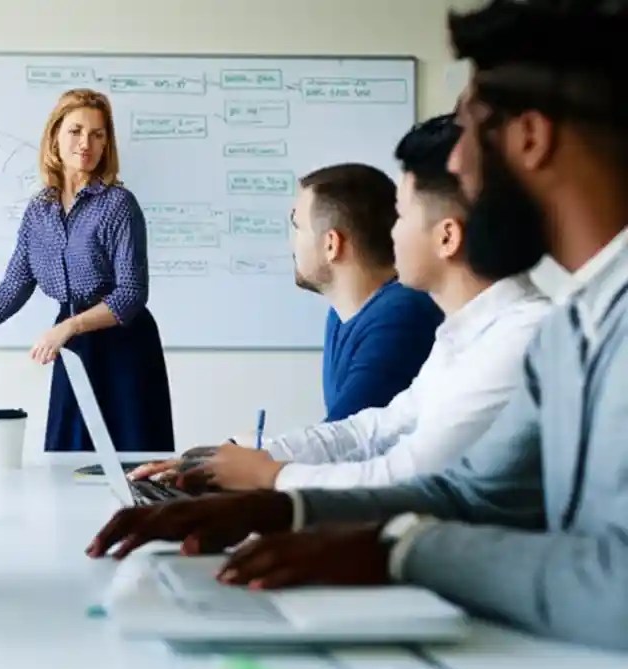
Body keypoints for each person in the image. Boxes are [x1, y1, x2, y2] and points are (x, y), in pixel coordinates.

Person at [87, 0, 628, 651]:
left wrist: (398, 549)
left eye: (469, 134)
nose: (455, 169)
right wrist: (285, 508)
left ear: (531, 138)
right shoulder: (576, 325)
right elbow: (469, 494)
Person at [133, 114, 551, 492]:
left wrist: (269, 476)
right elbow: (372, 430)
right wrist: (241, 459)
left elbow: (405, 473)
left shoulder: (517, 339)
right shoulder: (462, 333)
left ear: (446, 237)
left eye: (401, 216)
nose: (391, 233)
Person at [0, 88, 173, 452]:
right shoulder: (39, 212)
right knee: (69, 457)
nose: (86, 143)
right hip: (73, 347)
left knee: (132, 461)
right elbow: (12, 288)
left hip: (124, 348)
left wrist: (66, 327)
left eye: (97, 135)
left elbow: (130, 294)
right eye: (76, 131)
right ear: (55, 137)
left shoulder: (118, 205)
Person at [289, 163, 444, 422]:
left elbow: (346, 442)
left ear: (331, 245)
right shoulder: (341, 313)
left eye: (297, 227)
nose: (292, 242)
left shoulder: (402, 316)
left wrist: (263, 454)